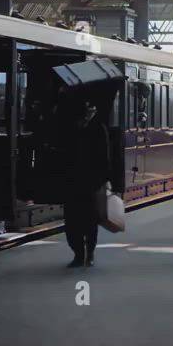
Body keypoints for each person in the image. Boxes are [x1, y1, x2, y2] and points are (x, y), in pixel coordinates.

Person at [64, 101, 112, 268]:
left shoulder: (99, 128)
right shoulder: (72, 127)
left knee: (90, 220)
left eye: (91, 109)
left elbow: (105, 156)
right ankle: (78, 253)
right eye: (86, 110)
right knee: (71, 221)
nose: (89, 112)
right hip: (73, 181)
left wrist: (105, 180)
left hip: (92, 182)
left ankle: (89, 253)